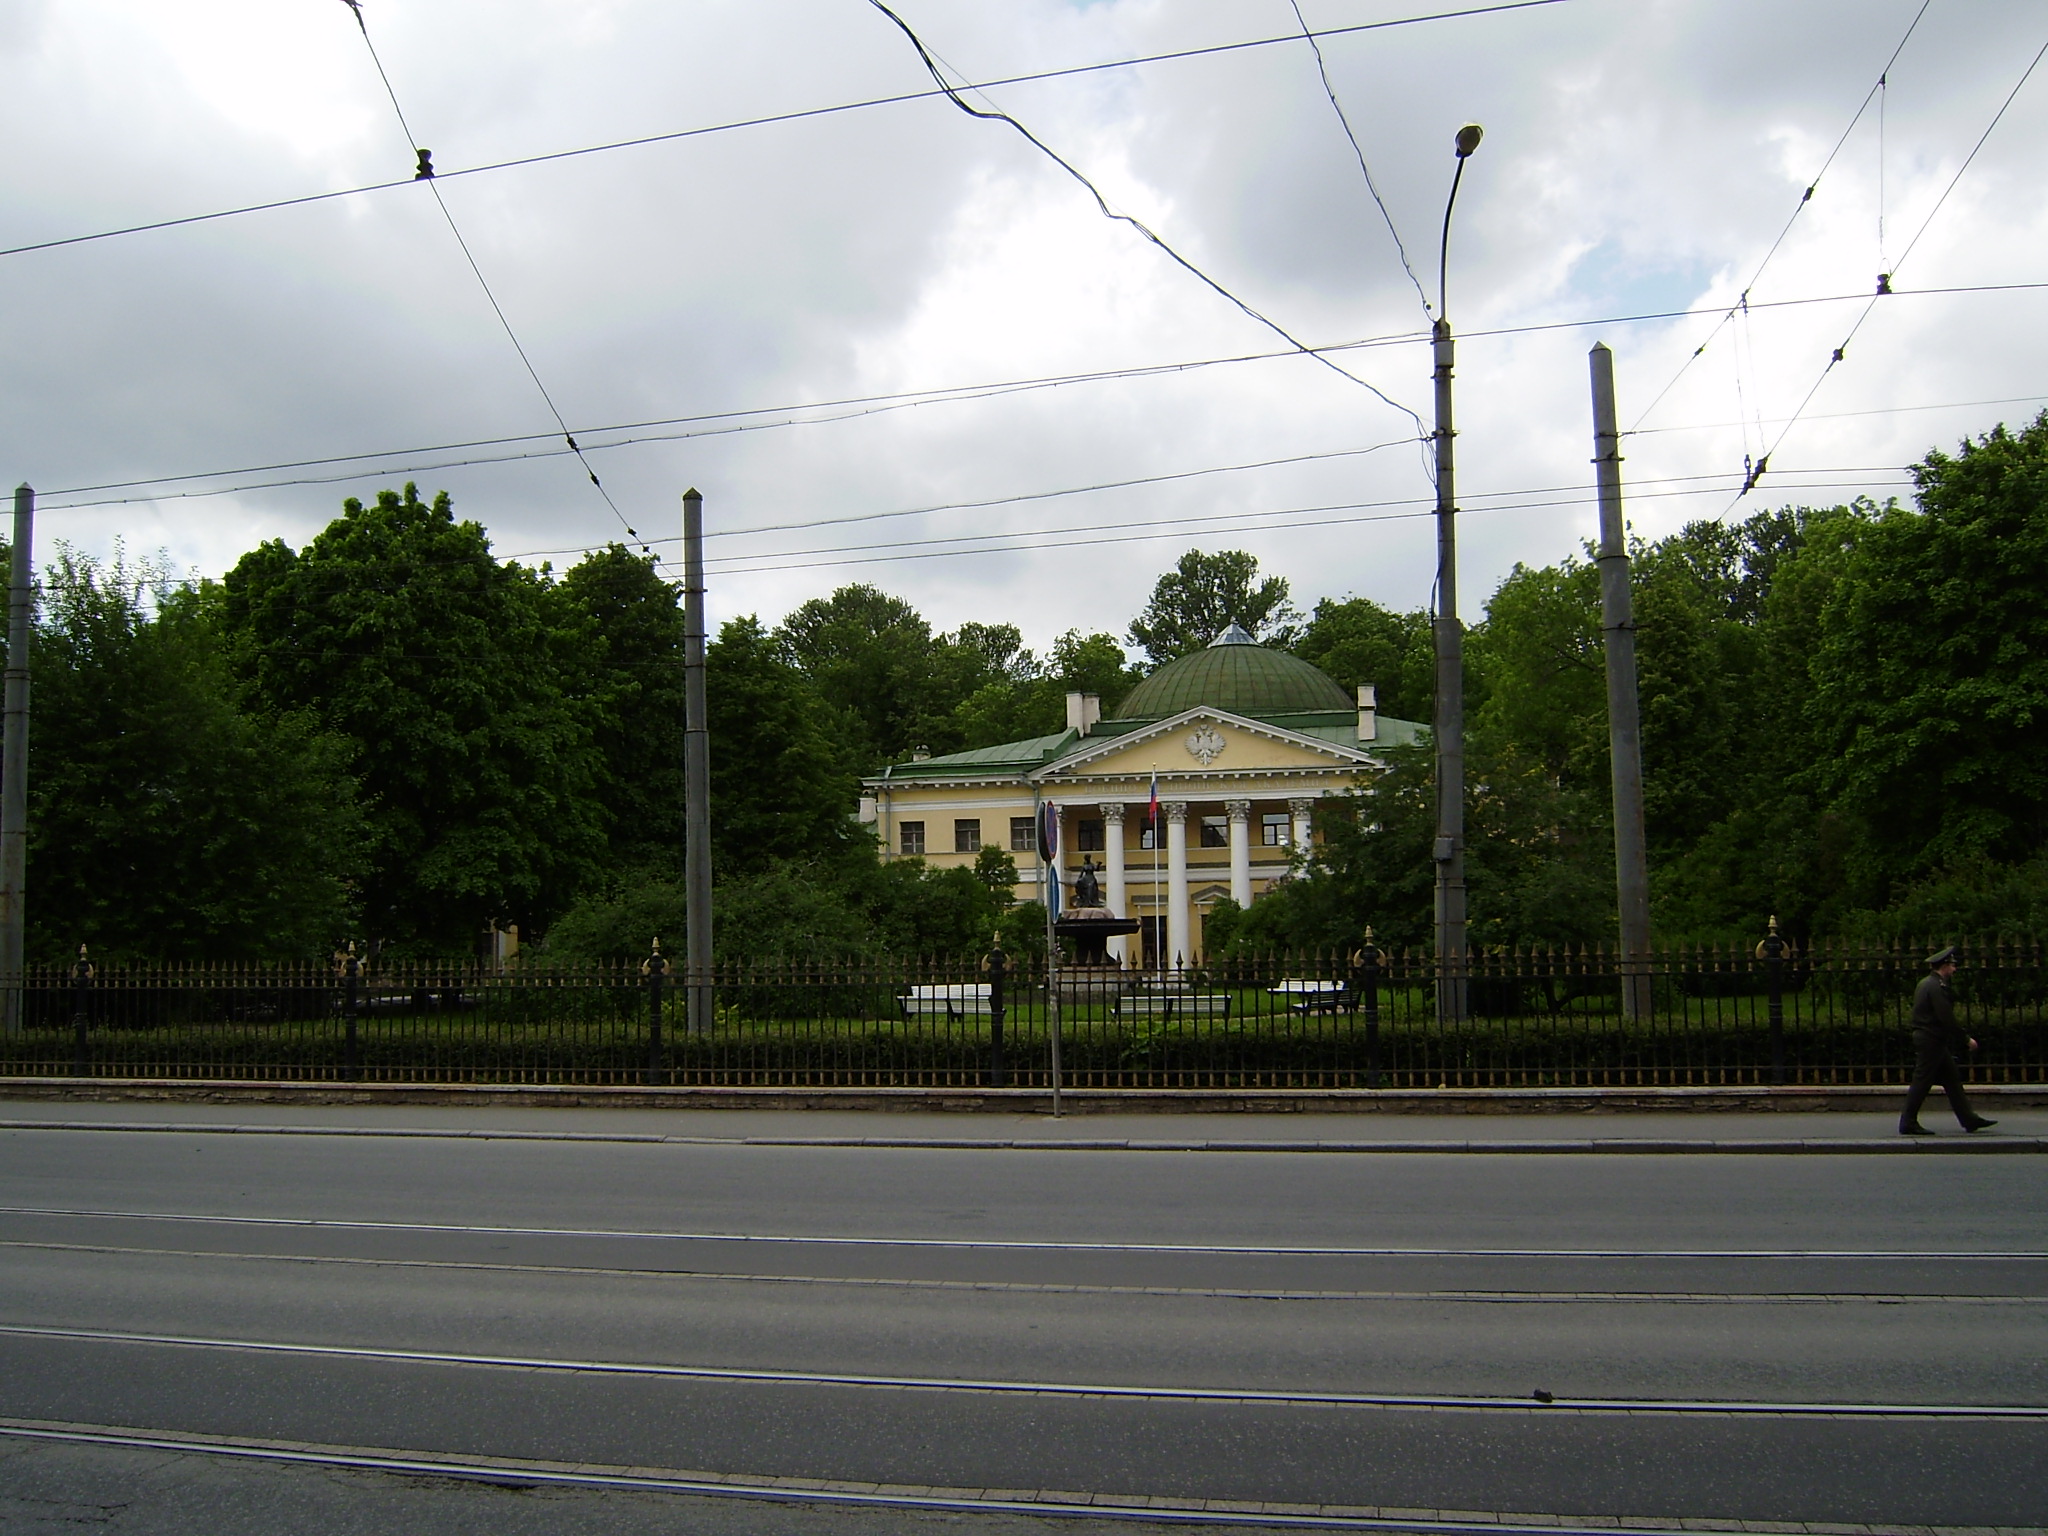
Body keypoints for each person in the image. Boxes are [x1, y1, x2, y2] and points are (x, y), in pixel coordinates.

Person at [1899, 947, 1995, 1135]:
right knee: (1922, 1081)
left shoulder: (1925, 983)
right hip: (1931, 1039)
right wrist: (1966, 1039)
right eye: (1952, 965)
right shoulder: (1936, 987)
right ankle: (1907, 1122)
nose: (1954, 969)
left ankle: (1969, 1119)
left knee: (1951, 1079)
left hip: (1931, 1039)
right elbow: (1946, 1017)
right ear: (1944, 966)